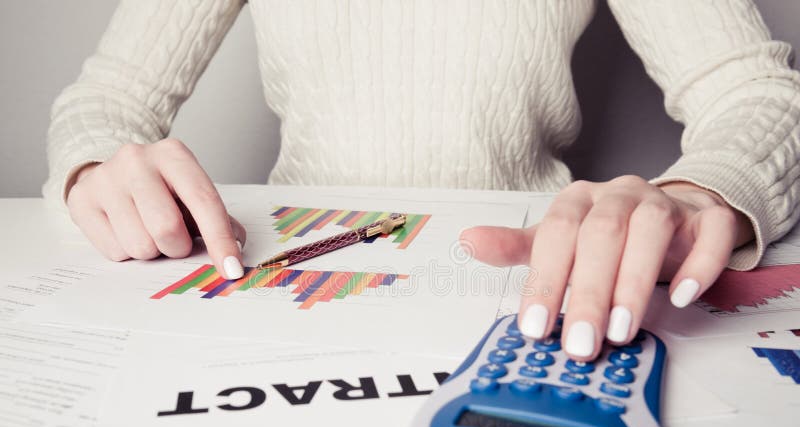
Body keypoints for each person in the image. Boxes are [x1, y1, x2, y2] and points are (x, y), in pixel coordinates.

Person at [45, 0, 800, 361]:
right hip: (290, 296)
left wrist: (702, 193)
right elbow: (107, 102)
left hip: (520, 292)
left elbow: (759, 96)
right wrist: (96, 167)